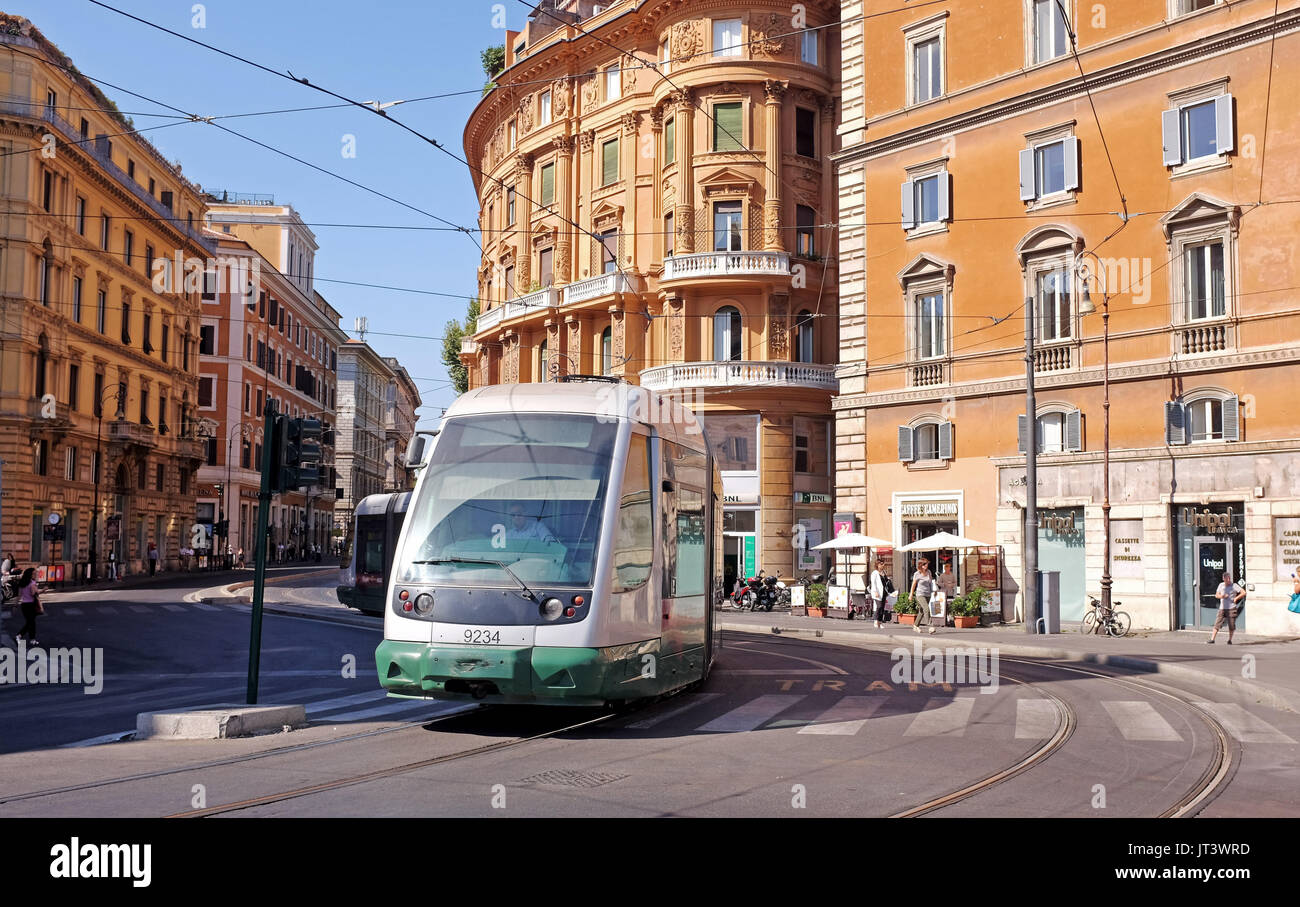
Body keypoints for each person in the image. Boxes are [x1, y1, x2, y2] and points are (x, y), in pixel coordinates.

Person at [1208, 570, 1246, 644]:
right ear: (1223, 579)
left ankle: (1230, 640)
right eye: (1226, 579)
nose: (1228, 580)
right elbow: (1216, 595)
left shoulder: (1234, 585)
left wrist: (1236, 598)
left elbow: (1243, 592)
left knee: (1231, 625)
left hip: (1231, 608)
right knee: (1217, 623)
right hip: (1222, 608)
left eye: (1229, 578)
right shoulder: (1221, 585)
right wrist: (1222, 596)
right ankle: (1212, 639)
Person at [910, 557, 938, 635]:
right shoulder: (917, 574)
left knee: (921, 611)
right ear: (921, 565)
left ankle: (915, 625)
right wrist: (911, 594)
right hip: (920, 594)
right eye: (925, 564)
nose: (927, 566)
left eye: (927, 564)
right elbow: (914, 585)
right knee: (926, 609)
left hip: (928, 594)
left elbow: (931, 582)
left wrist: (934, 590)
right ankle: (930, 626)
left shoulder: (929, 572)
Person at [16, 567, 40, 645]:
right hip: (31, 605)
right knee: (30, 623)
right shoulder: (32, 583)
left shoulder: (22, 582)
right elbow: (33, 594)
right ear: (30, 574)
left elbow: (19, 595)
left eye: (35, 573)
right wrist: (43, 590)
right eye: (34, 573)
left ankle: (32, 640)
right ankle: (19, 635)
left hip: (24, 605)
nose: (35, 574)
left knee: (31, 622)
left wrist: (15, 605)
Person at [938, 562, 957, 626]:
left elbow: (955, 583)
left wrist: (952, 585)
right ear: (944, 569)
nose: (947, 569)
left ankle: (950, 620)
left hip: (950, 593)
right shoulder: (942, 575)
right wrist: (944, 584)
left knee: (950, 607)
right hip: (943, 594)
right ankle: (944, 620)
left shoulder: (952, 575)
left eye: (948, 568)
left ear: (950, 568)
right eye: (946, 568)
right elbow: (939, 583)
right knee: (943, 607)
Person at [870, 560, 887, 628]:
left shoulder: (883, 572)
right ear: (877, 565)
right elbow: (873, 583)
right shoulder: (874, 573)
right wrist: (875, 591)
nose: (883, 565)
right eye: (881, 564)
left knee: (882, 607)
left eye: (883, 564)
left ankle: (880, 622)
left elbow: (886, 582)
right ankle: (875, 620)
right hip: (877, 592)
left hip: (883, 592)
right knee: (879, 606)